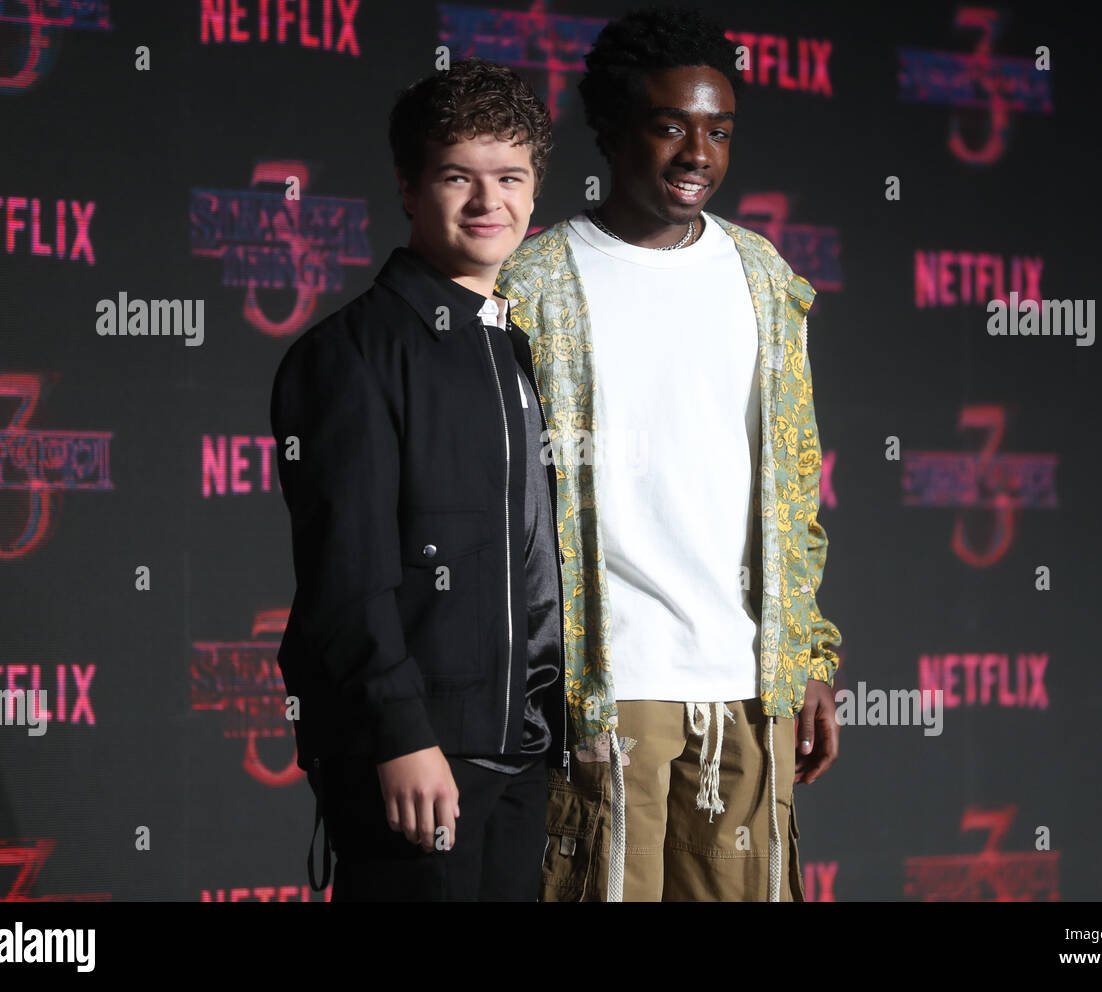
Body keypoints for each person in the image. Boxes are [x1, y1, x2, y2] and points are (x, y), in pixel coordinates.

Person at [497, 6, 844, 902]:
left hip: (746, 680)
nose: (698, 152)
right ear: (611, 130)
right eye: (669, 126)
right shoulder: (532, 284)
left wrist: (808, 657)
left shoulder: (763, 277)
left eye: (719, 131)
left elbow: (795, 481)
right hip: (605, 684)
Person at [269, 58, 564, 901]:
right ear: (407, 188)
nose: (487, 203)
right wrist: (399, 734)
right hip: (418, 755)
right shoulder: (348, 358)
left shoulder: (523, 351)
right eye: (456, 178)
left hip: (530, 749)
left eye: (510, 178)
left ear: (535, 193)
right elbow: (345, 579)